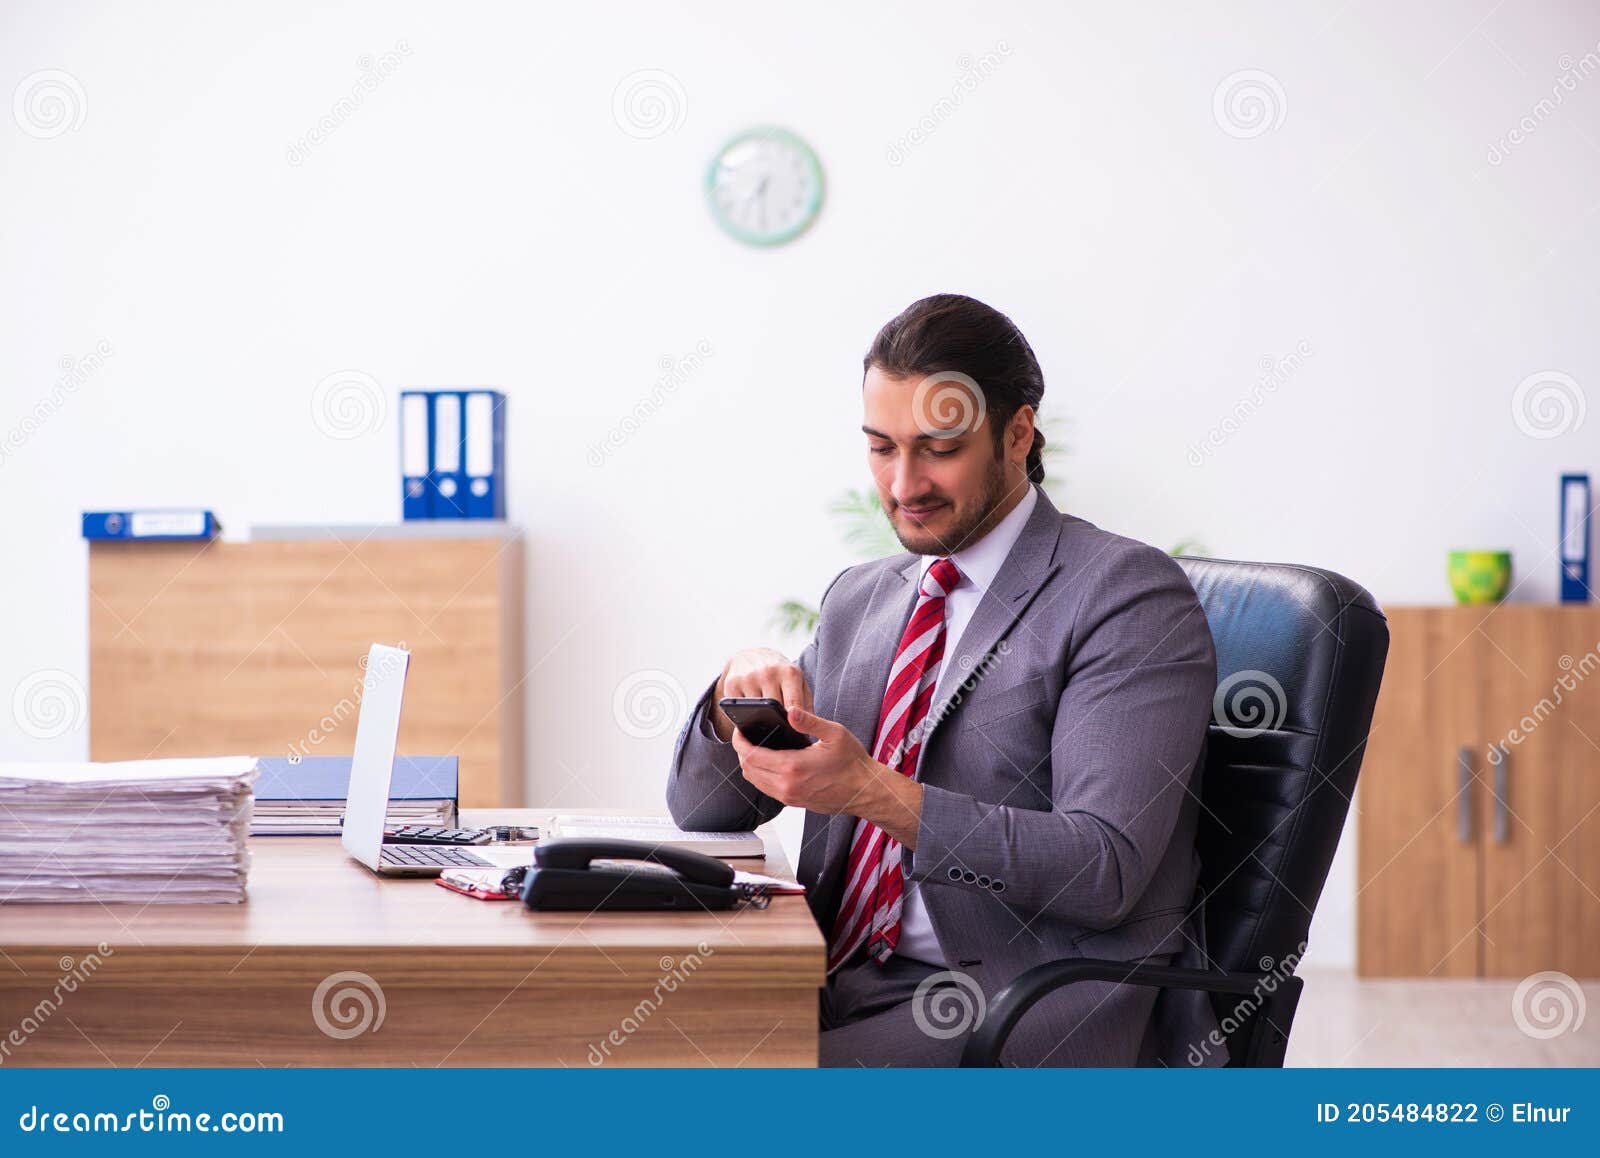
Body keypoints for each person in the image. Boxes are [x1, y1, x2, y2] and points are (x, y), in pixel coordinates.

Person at [667, 293, 1226, 1066]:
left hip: (1012, 1000)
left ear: (1018, 433)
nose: (903, 485)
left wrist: (869, 791)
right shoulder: (865, 597)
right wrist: (737, 702)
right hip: (836, 970)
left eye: (938, 448)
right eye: (881, 448)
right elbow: (703, 810)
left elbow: (1104, 870)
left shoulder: (1124, 593)